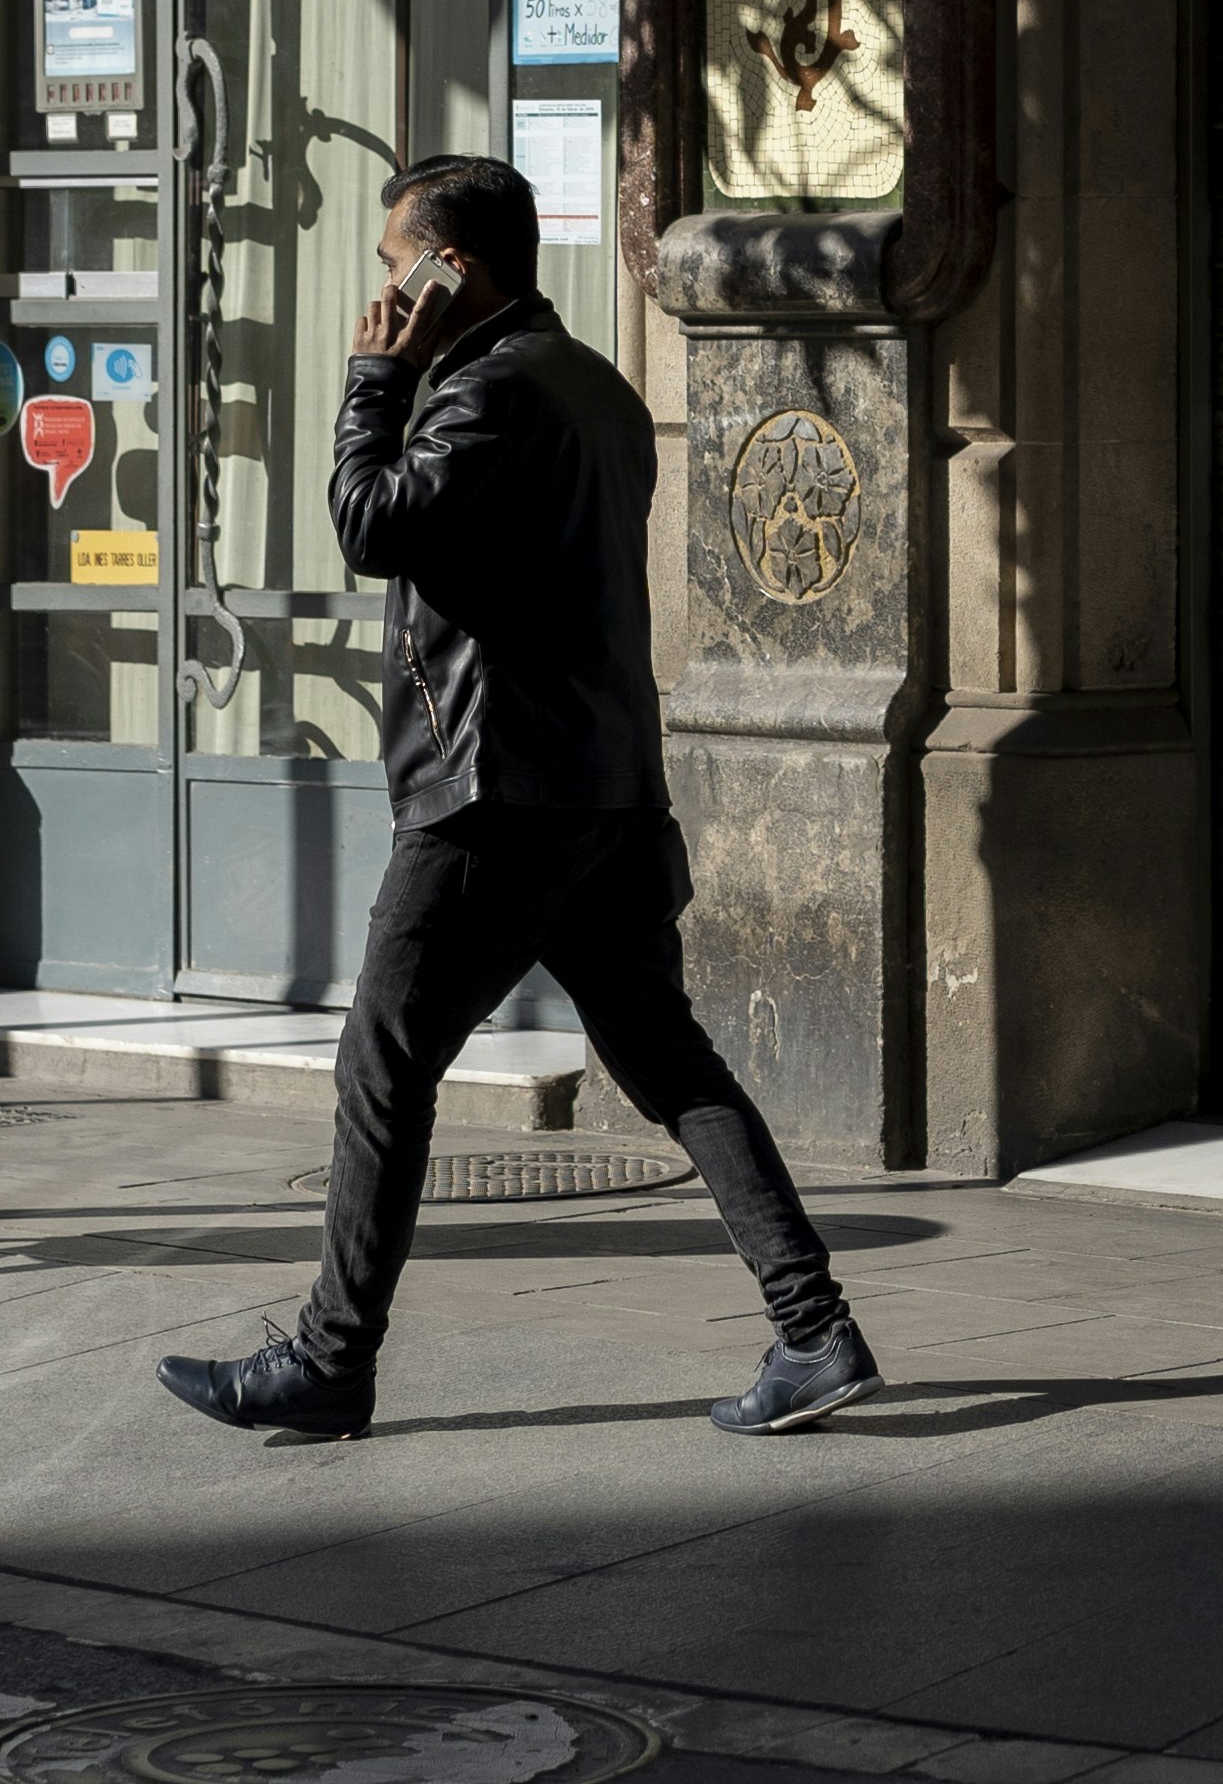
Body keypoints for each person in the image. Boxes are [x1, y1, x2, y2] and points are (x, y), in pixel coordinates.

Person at [156, 154, 880, 1446]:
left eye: (398, 264)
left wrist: (375, 380)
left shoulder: (481, 394)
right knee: (666, 1056)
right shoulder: (596, 390)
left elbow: (371, 524)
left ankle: (331, 1361)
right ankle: (813, 1328)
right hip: (602, 784)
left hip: (496, 793)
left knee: (383, 1063)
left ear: (454, 268)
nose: (384, 290)